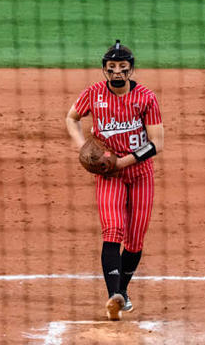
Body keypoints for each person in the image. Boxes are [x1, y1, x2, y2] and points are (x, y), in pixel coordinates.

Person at [65, 40, 165, 321]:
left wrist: (124, 161)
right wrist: (82, 146)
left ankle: (122, 289)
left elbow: (157, 143)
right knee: (113, 230)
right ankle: (114, 297)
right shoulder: (93, 94)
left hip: (140, 173)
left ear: (131, 70)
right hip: (108, 176)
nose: (117, 73)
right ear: (104, 70)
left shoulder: (146, 97)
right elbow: (71, 118)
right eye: (112, 68)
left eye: (123, 67)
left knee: (134, 240)